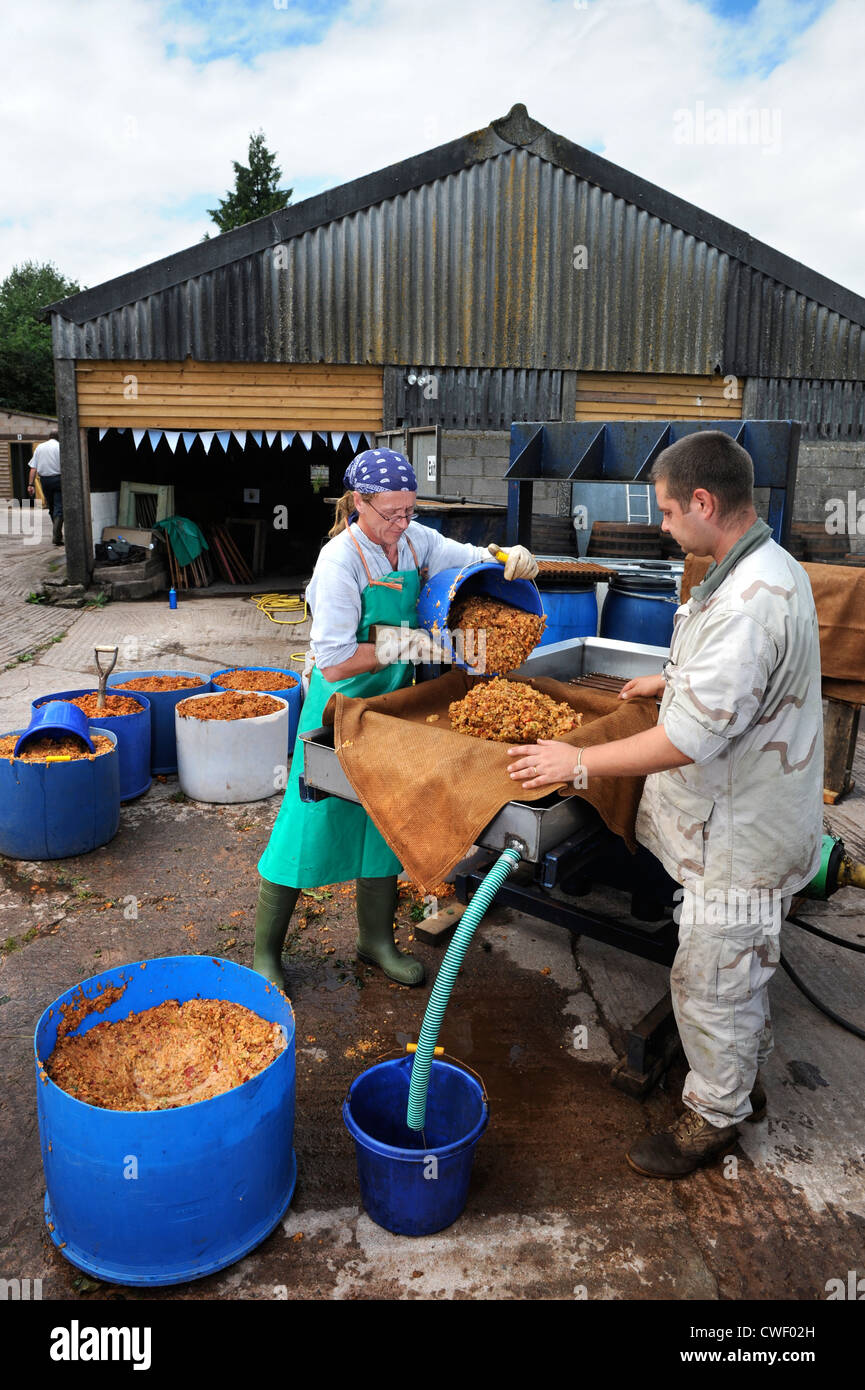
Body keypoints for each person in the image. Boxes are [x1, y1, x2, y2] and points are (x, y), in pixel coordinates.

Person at [507, 430, 823, 1178]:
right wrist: (667, 681)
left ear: (704, 503)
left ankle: (712, 1119)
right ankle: (741, 1080)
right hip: (747, 821)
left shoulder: (750, 600)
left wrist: (576, 759)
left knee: (708, 981)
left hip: (741, 841)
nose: (661, 525)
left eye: (668, 511)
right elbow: (725, 682)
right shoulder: (759, 567)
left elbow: (685, 741)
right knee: (739, 969)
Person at [253, 447, 539, 988]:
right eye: (392, 513)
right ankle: (266, 953)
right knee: (305, 824)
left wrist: (505, 556)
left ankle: (375, 941)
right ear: (360, 503)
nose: (403, 523)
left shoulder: (414, 539)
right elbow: (335, 663)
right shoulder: (340, 561)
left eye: (410, 510)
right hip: (340, 706)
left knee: (383, 821)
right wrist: (411, 644)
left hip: (393, 708)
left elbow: (466, 555)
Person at [28, 432, 63, 545]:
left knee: (51, 506)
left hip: (45, 481)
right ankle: (57, 534)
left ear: (49, 437)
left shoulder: (40, 448)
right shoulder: (60, 447)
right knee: (59, 506)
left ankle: (57, 532)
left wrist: (30, 485)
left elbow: (33, 468)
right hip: (59, 479)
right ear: (58, 437)